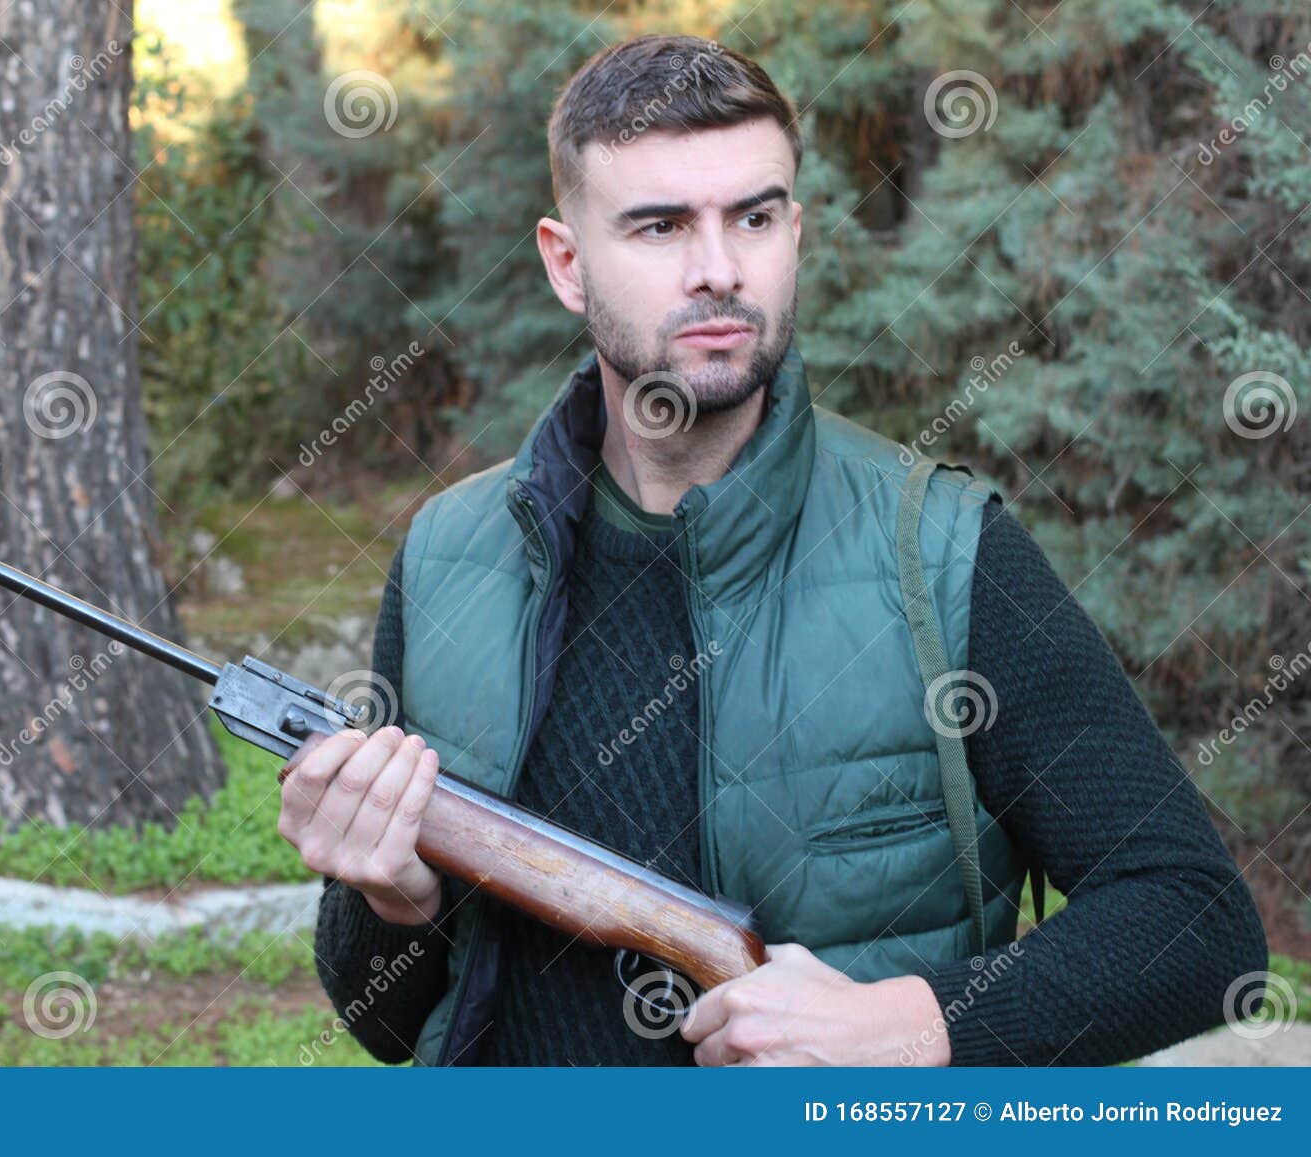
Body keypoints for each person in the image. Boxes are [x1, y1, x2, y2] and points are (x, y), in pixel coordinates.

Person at [279, 33, 1268, 1067]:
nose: (718, 271)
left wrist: (914, 1022)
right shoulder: (449, 556)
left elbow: (1193, 918)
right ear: (566, 264)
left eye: (751, 217)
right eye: (659, 226)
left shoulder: (940, 553)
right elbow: (385, 1020)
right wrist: (387, 899)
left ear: (793, 231)